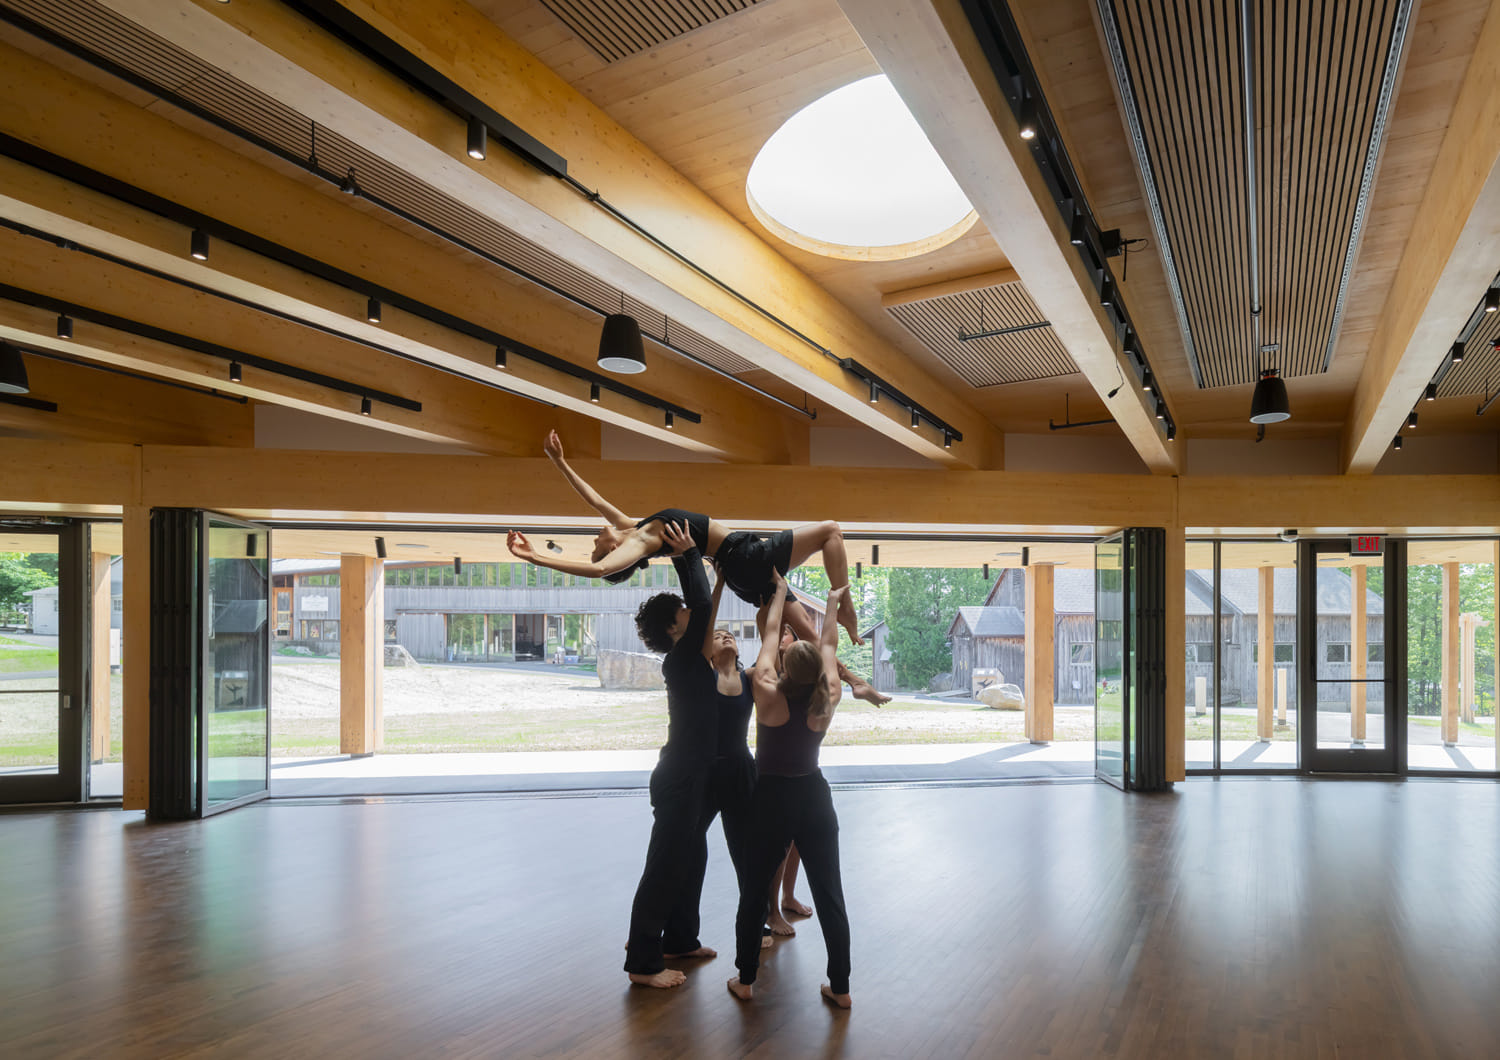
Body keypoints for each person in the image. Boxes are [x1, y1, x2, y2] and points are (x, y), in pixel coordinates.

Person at [506, 431, 889, 708]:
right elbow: (598, 570)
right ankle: (847, 607)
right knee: (831, 531)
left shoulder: (636, 529)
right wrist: (534, 557)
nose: (595, 542)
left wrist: (559, 462)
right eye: (597, 550)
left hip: (739, 574)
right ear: (614, 552)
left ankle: (855, 682)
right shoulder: (640, 542)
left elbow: (595, 500)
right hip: (744, 557)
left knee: (807, 631)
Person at [728, 573, 853, 1009]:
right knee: (830, 893)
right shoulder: (829, 694)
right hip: (814, 797)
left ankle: (745, 980)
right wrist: (833, 604)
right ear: (819, 672)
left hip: (770, 798)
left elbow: (767, 636)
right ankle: (840, 989)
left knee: (752, 890)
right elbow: (830, 646)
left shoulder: (767, 691)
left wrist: (779, 593)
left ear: (784, 668)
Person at [621, 521, 725, 989]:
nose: (690, 613)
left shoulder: (692, 657)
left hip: (695, 774)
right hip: (680, 776)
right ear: (672, 627)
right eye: (680, 611)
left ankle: (680, 939)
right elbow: (703, 604)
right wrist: (687, 558)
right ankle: (643, 962)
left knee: (692, 857)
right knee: (664, 866)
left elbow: (705, 606)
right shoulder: (680, 659)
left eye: (684, 608)